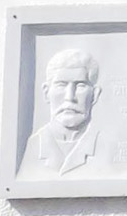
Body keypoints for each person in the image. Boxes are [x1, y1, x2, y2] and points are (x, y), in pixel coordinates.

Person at [21, 45, 104, 177]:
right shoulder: (32, 147)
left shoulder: (107, 146)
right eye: (61, 85)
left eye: (80, 85)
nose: (69, 97)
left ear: (95, 94)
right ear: (46, 92)